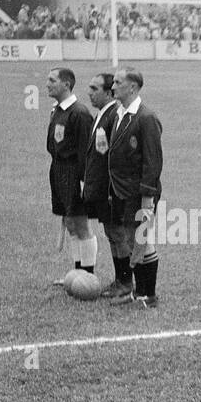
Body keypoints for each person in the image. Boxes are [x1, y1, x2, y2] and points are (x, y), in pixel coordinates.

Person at [105, 67, 164, 308]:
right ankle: (138, 291)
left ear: (132, 87)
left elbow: (153, 161)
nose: (113, 86)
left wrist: (147, 197)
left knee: (142, 240)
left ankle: (148, 295)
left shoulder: (146, 117)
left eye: (118, 82)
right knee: (131, 239)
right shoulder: (119, 113)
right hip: (120, 190)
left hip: (139, 192)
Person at [45, 67, 96, 281]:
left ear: (66, 84)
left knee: (81, 224)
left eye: (52, 80)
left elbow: (87, 151)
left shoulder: (80, 113)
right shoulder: (57, 109)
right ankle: (77, 274)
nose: (47, 84)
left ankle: (88, 276)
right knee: (71, 223)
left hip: (74, 173)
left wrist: (85, 181)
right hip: (58, 170)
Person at [83, 73, 126, 298]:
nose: (89, 92)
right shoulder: (102, 114)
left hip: (110, 191)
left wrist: (110, 190)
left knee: (118, 234)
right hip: (101, 190)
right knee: (111, 233)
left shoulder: (113, 116)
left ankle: (126, 282)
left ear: (108, 93)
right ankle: (119, 280)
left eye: (94, 88)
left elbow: (114, 158)